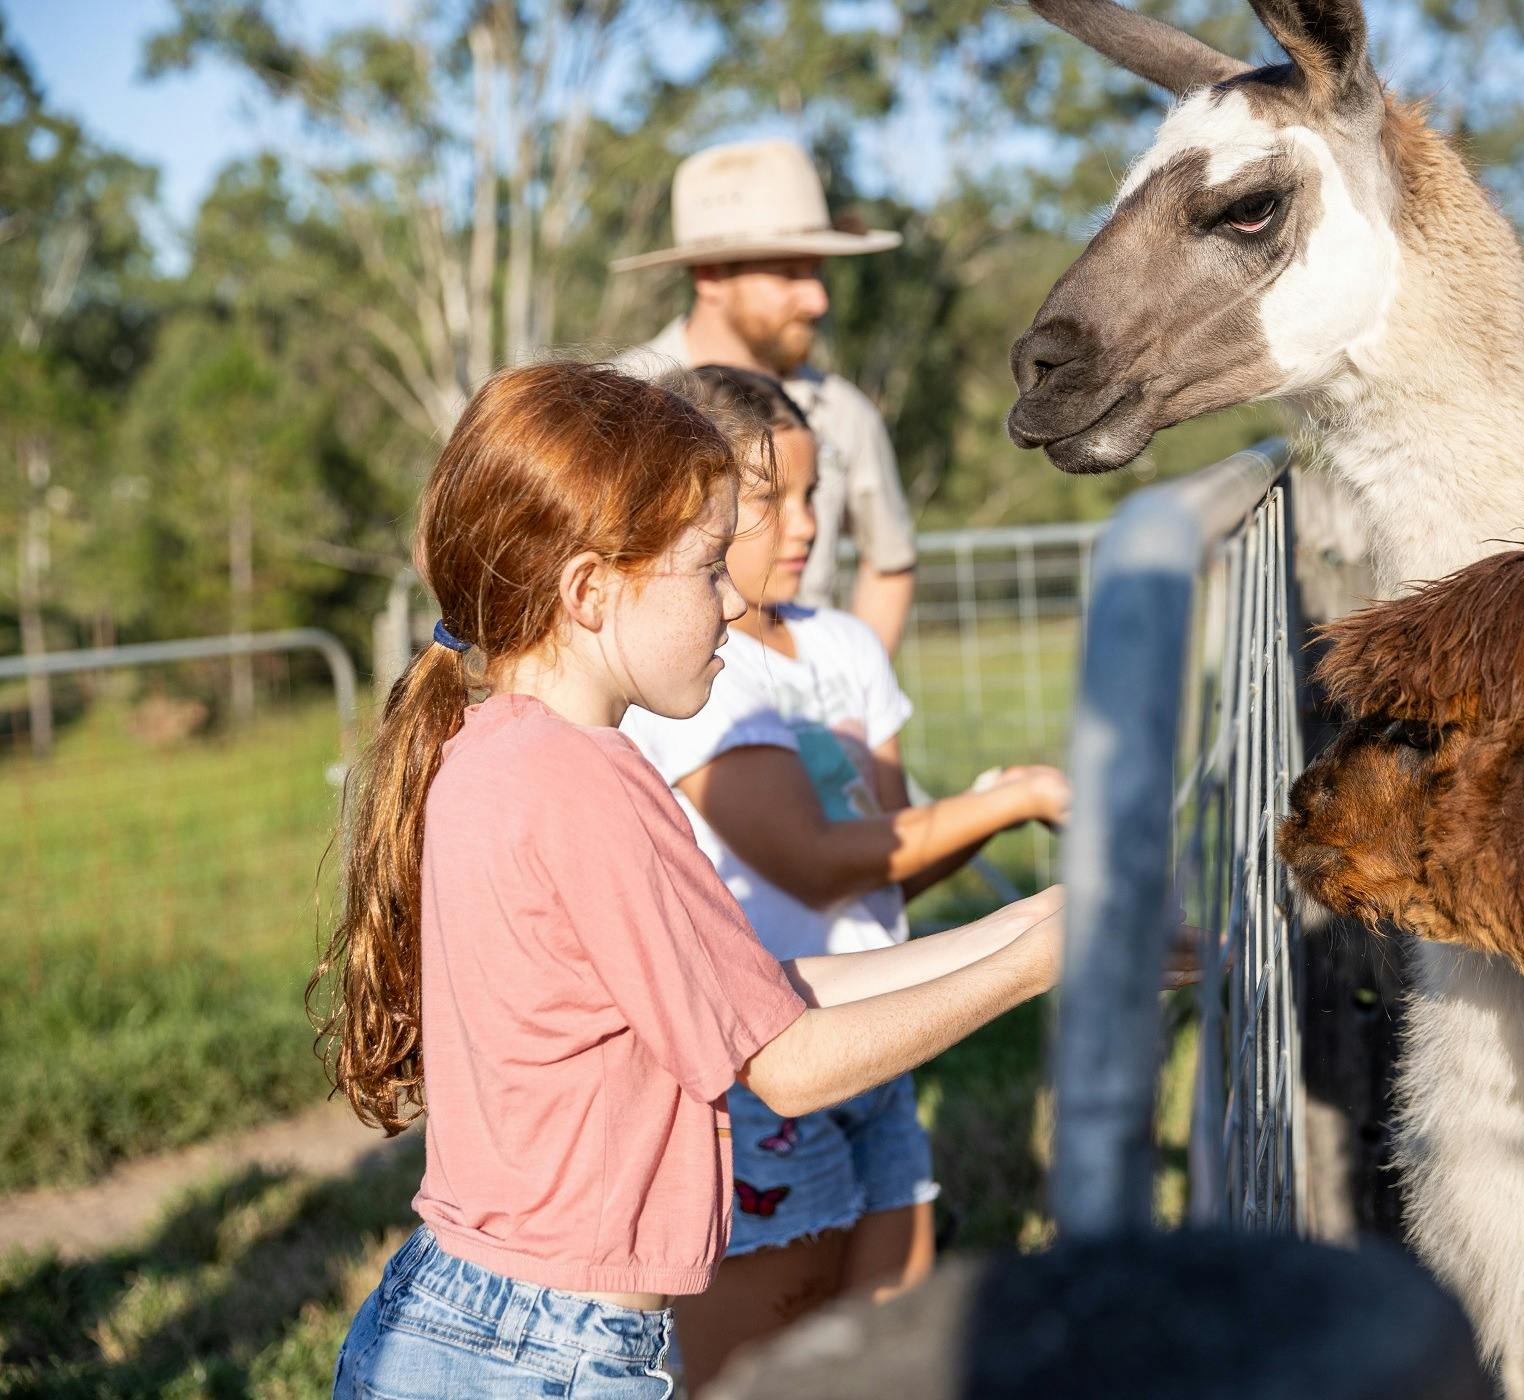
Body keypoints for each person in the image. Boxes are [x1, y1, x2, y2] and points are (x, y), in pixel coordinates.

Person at [318, 360, 1065, 1398]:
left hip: (462, 1316)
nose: (736, 596)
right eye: (709, 564)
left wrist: (1028, 922)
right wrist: (1036, 962)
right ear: (588, 589)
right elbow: (787, 1059)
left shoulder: (494, 747)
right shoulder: (591, 778)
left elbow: (751, 988)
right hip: (551, 1355)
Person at [622, 365, 1069, 1385]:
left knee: (889, 1327)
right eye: (771, 496)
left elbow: (885, 859)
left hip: (880, 1035)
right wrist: (1009, 801)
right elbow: (818, 865)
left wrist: (975, 815)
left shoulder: (847, 647)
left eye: (815, 493)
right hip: (769, 1058)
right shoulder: (693, 683)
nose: (807, 523)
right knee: (766, 1345)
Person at [613, 139, 918, 654]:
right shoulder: (618, 404)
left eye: (817, 272)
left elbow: (889, 563)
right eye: (788, 273)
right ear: (710, 277)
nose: (817, 299)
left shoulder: (842, 412)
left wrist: (857, 693)